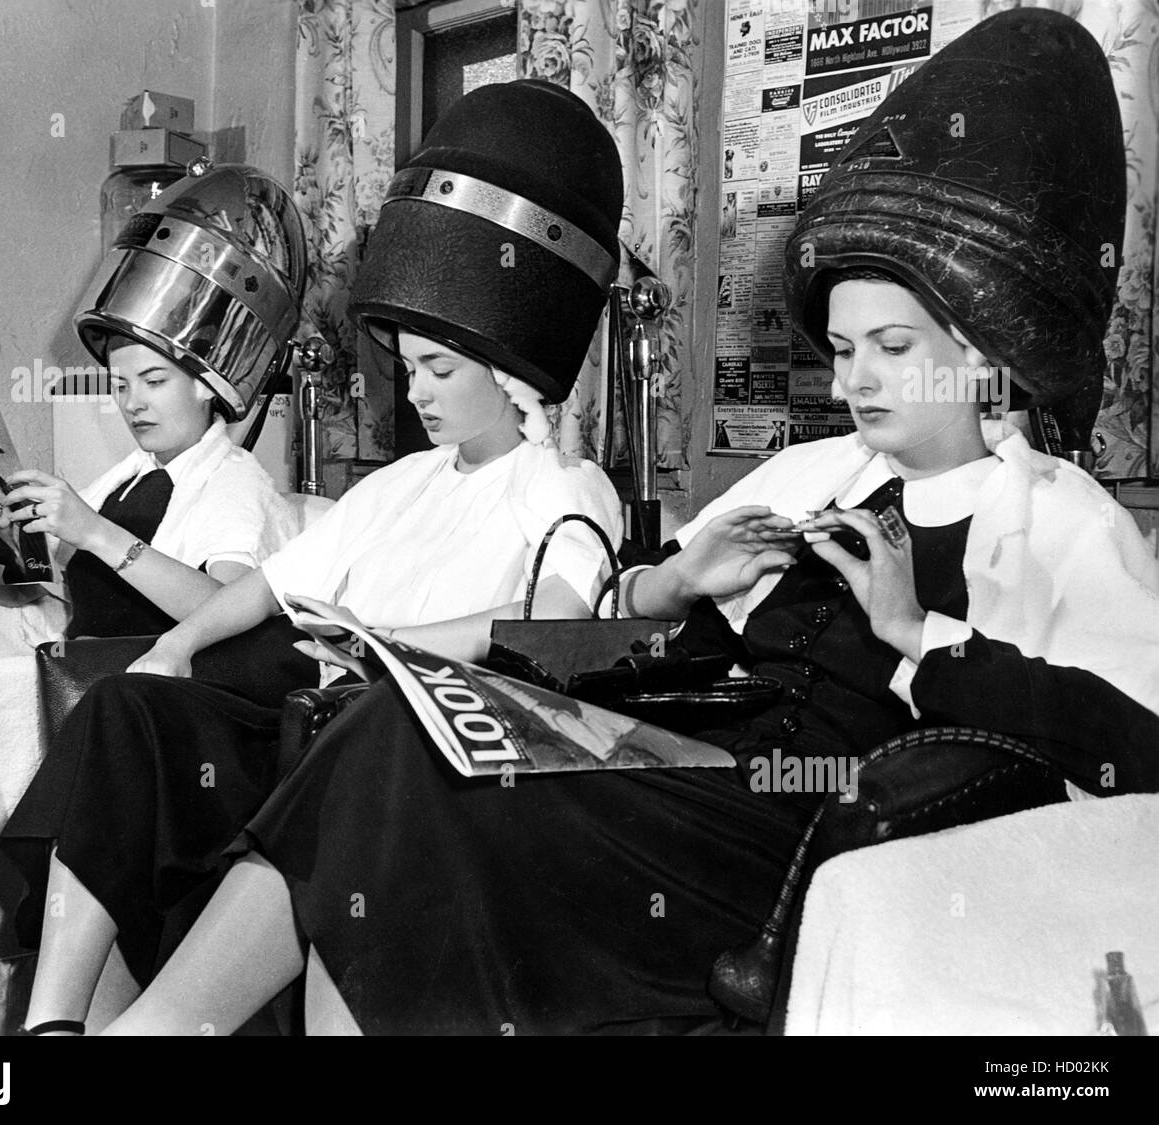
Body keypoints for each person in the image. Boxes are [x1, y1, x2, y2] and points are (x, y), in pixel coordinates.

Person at [93, 9, 1159, 1036]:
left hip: (794, 836)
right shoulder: (805, 473)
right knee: (390, 729)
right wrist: (677, 583)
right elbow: (622, 632)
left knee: (412, 775)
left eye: (888, 347)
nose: (855, 383)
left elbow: (1130, 752)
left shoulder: (1052, 520)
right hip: (679, 758)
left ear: (978, 350)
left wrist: (915, 638)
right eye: (840, 352)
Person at [0, 79, 627, 1036]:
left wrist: (391, 648)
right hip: (309, 717)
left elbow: (554, 636)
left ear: (506, 371)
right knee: (130, 704)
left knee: (332, 733)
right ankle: (51, 1023)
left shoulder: (568, 488)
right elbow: (265, 588)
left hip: (416, 746)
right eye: (409, 367)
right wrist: (175, 650)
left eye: (441, 370)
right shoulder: (393, 488)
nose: (417, 392)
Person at [0, 164, 309, 953]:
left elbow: (230, 608)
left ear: (209, 387)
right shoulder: (127, 474)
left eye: (155, 382)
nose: (131, 402)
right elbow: (66, 596)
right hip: (62, 646)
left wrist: (96, 531)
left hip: (121, 690)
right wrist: (1, 540)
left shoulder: (233, 483)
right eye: (121, 383)